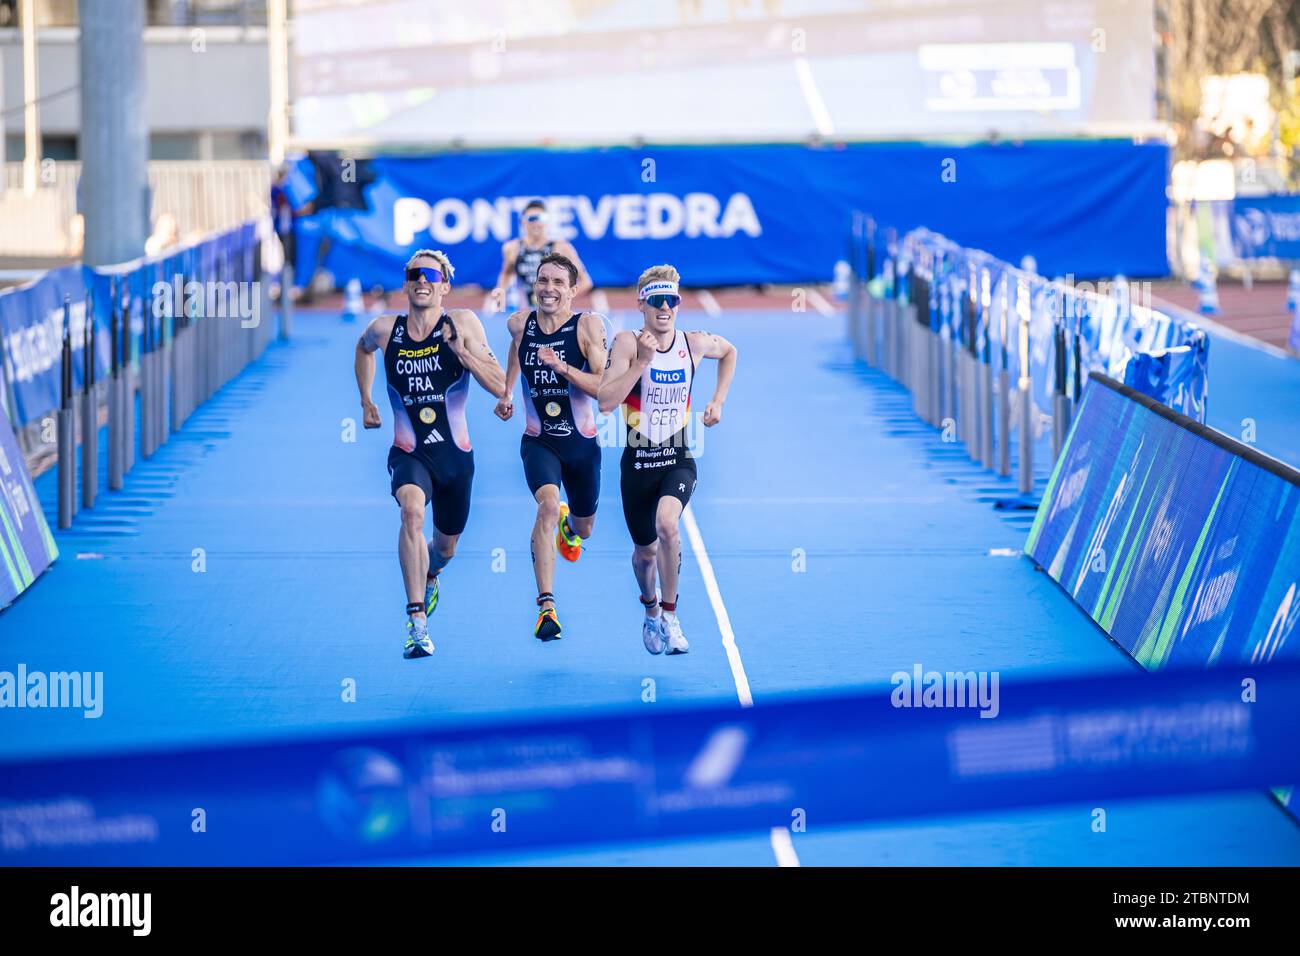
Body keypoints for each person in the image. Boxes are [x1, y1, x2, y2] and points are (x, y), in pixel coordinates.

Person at [354, 249, 506, 658]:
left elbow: (499, 386)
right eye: (414, 273)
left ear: (444, 286)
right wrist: (367, 402)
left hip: (456, 458)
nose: (422, 280)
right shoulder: (386, 330)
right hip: (409, 451)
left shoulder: (463, 323)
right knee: (411, 512)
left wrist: (462, 353)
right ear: (406, 283)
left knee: (445, 547)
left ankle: (433, 572)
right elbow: (363, 348)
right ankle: (416, 622)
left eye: (431, 275)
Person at [598, 265, 737, 655]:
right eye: (656, 300)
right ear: (642, 303)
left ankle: (672, 618)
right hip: (637, 462)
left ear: (678, 304)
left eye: (671, 300)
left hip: (677, 456)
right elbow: (606, 402)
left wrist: (717, 401)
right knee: (644, 556)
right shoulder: (626, 343)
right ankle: (651, 609)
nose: (664, 308)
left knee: (668, 527)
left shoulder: (692, 343)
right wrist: (641, 363)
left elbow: (729, 352)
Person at [495, 253, 609, 641]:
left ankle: (569, 525)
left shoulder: (587, 327)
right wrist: (508, 390)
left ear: (573, 291)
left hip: (582, 446)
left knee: (585, 529)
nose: (549, 288)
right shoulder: (519, 323)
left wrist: (563, 369)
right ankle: (546, 607)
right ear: (534, 285)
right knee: (545, 505)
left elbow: (604, 388)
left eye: (559, 283)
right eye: (543, 281)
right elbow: (516, 346)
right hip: (538, 440)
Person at [494, 199, 591, 312]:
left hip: (554, 313)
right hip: (526, 313)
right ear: (522, 222)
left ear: (548, 221)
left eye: (541, 218)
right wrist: (499, 303)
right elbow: (506, 274)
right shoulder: (512, 248)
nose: (536, 223)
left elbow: (586, 282)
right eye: (531, 219)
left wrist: (562, 297)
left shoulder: (561, 247)